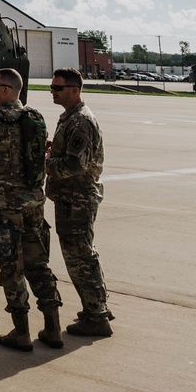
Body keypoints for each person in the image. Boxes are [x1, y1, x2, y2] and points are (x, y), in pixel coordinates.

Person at [0, 69, 62, 352]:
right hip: (33, 204)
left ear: (6, 90)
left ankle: (21, 332)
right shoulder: (35, 117)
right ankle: (53, 328)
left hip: (5, 206)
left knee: (11, 268)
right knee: (38, 264)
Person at [46, 69, 113, 338]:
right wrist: (53, 149)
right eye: (52, 87)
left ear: (74, 90)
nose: (53, 92)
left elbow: (75, 165)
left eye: (58, 88)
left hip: (77, 200)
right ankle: (96, 308)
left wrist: (46, 162)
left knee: (80, 258)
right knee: (83, 254)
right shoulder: (72, 117)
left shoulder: (80, 121)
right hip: (73, 198)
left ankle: (96, 316)